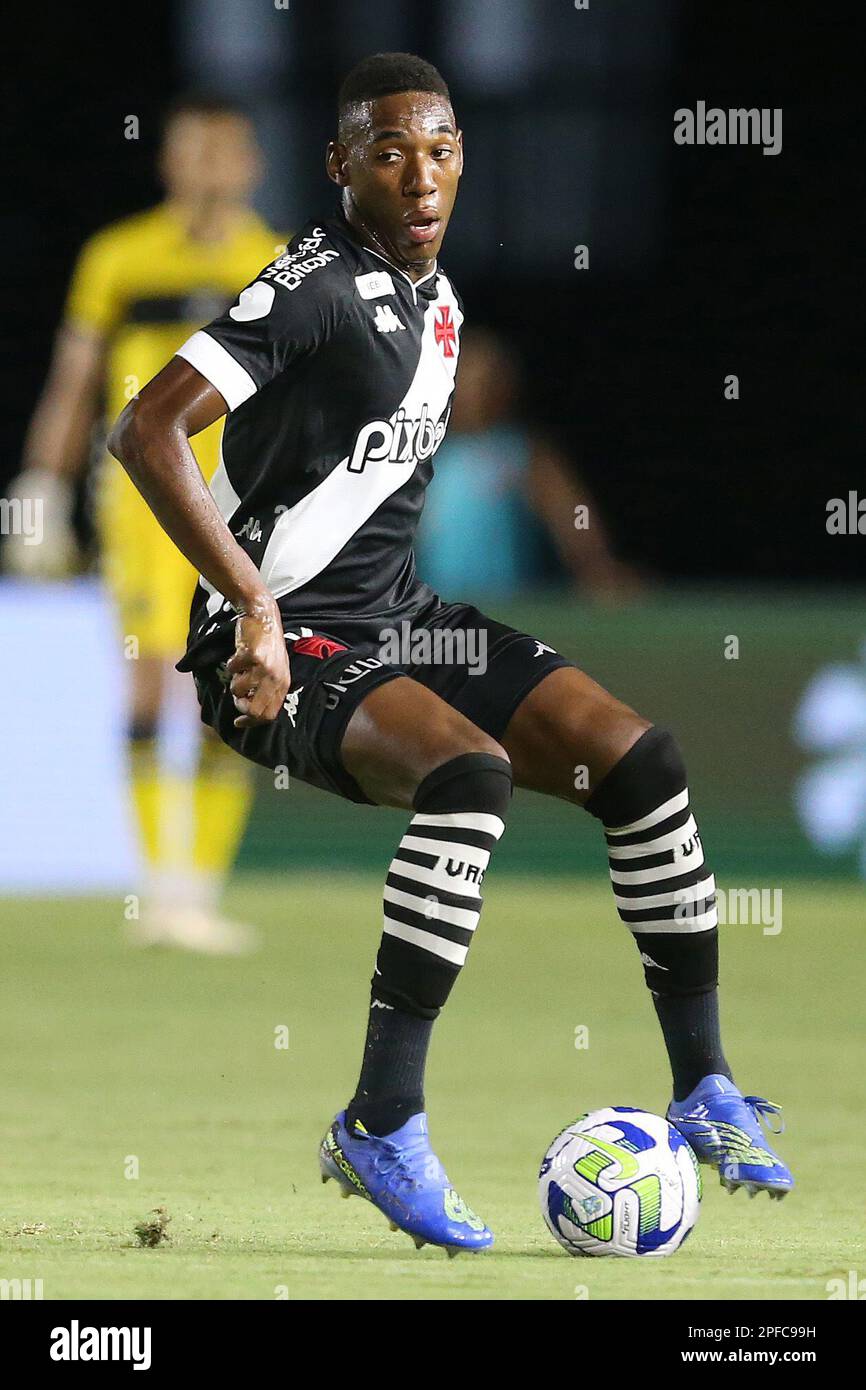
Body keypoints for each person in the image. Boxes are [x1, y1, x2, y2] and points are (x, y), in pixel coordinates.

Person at [107, 53, 793, 1254]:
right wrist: (253, 610)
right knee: (466, 775)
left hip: (390, 615)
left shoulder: (439, 302)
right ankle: (380, 1121)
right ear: (340, 166)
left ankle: (703, 1086)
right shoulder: (310, 285)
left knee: (638, 758)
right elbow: (145, 426)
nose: (419, 176)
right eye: (387, 151)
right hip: (271, 635)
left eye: (440, 148)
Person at [8, 95, 282, 953]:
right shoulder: (118, 257)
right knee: (144, 680)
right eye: (189, 150)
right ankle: (155, 884)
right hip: (137, 503)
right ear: (166, 161)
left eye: (221, 151)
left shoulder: (274, 261)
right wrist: (37, 488)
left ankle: (195, 888)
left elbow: (311, 389)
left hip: (240, 500)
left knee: (232, 685)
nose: (206, 167)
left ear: (251, 164)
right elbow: (73, 378)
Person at [414, 326, 643, 600]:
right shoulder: (418, 454)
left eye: (487, 381)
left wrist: (595, 562)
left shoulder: (522, 453)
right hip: (434, 608)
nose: (476, 393)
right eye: (467, 379)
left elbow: (574, 511)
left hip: (510, 607)